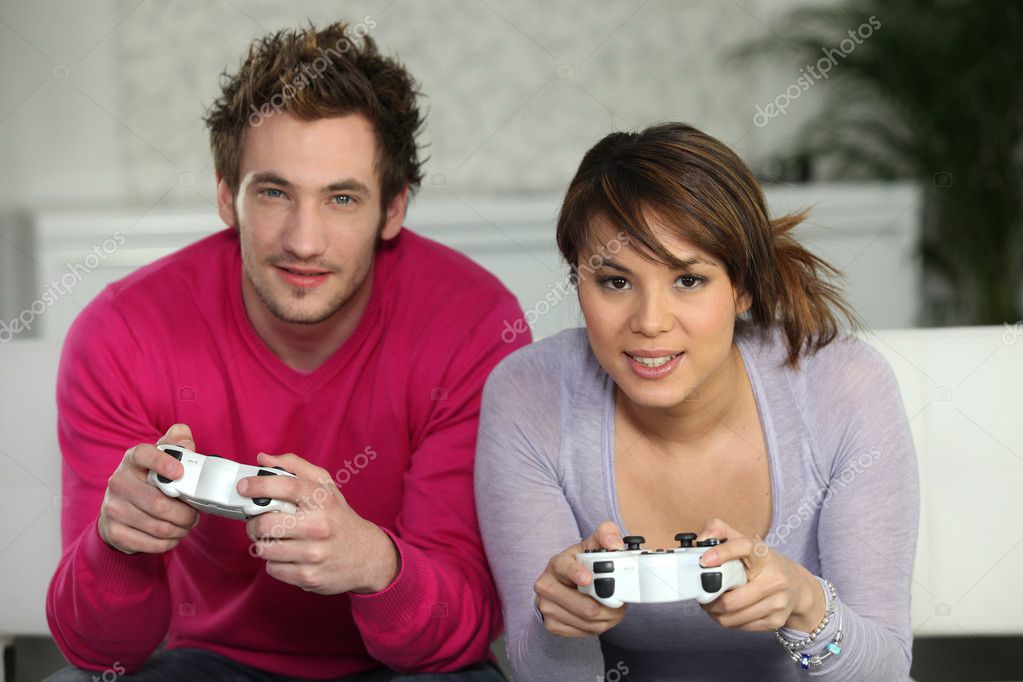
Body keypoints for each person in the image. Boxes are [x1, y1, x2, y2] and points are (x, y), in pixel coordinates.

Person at [46, 21, 527, 681]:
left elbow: (461, 631)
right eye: (273, 192)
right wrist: (115, 546)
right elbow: (100, 654)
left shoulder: (474, 325)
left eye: (341, 198)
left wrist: (375, 566)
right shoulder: (121, 334)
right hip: (205, 664)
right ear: (226, 197)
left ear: (392, 210)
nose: (303, 241)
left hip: (404, 669)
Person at [475, 123, 919, 681]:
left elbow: (886, 673)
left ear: (744, 287)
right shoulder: (528, 393)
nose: (649, 323)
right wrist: (558, 626)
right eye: (614, 282)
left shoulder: (845, 386)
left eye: (688, 280)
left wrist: (807, 606)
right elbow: (546, 675)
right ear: (576, 281)